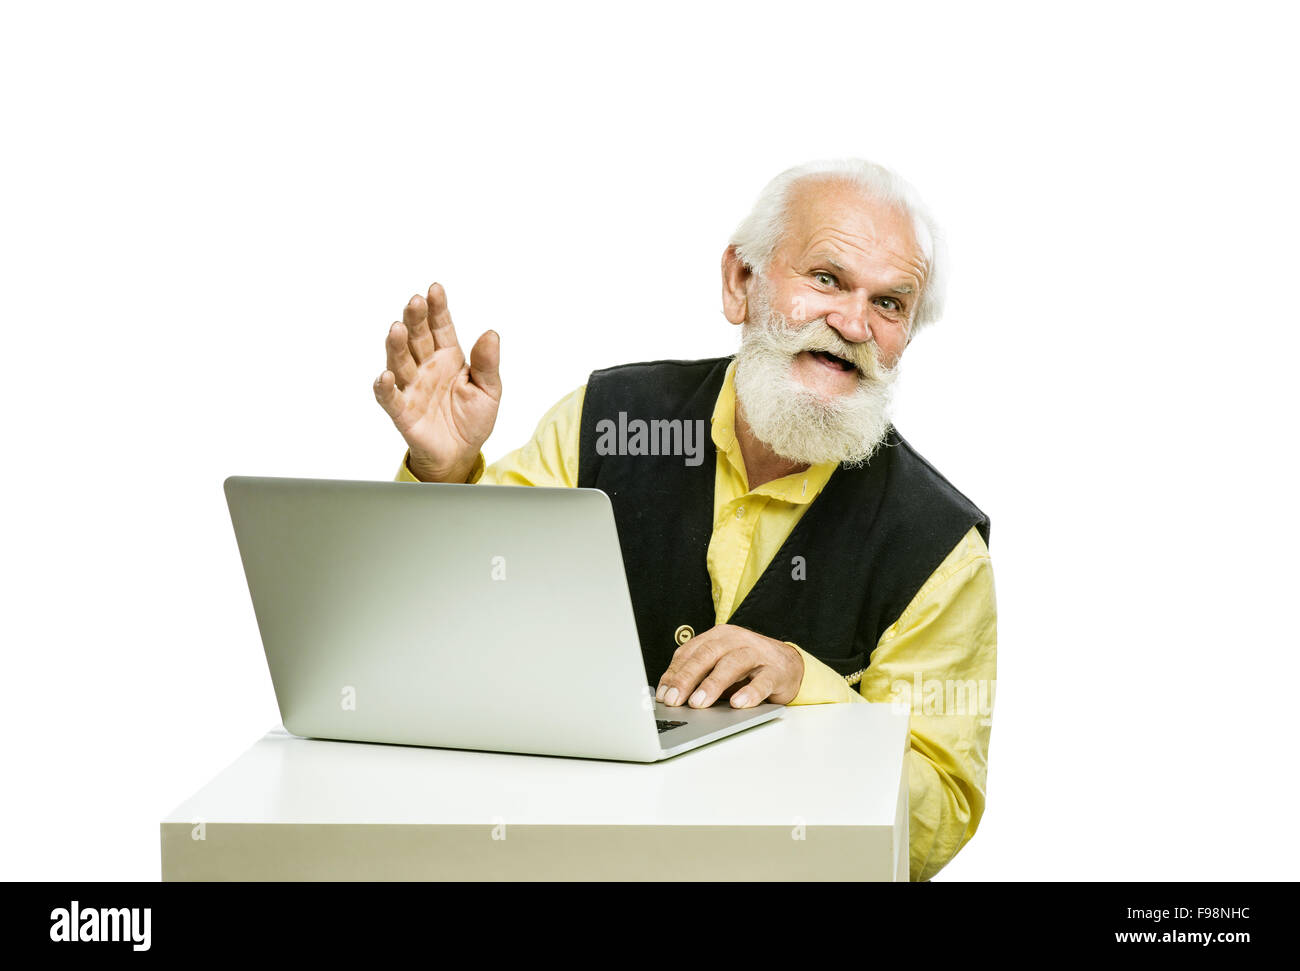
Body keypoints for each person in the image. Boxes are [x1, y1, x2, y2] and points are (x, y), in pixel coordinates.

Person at [373, 158, 996, 881]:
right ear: (741, 282)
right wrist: (445, 473)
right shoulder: (605, 425)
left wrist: (806, 684)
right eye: (826, 279)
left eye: (889, 304)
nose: (853, 323)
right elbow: (455, 625)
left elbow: (934, 819)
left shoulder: (940, 550)